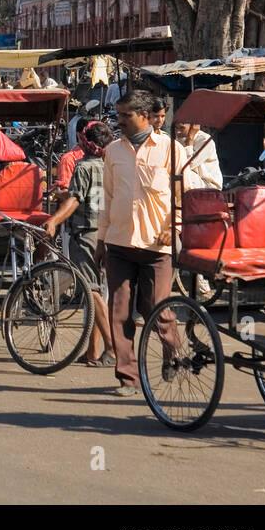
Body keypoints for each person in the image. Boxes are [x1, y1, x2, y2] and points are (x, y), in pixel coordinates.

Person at [98, 89, 185, 396]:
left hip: (158, 246)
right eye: (118, 115)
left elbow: (183, 199)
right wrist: (100, 239)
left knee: (157, 309)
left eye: (126, 116)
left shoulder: (171, 150)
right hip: (119, 243)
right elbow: (106, 199)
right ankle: (128, 377)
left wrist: (173, 231)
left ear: (145, 117)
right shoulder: (113, 151)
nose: (119, 121)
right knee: (119, 311)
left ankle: (173, 352)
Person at [43, 121, 117, 367]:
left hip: (86, 233)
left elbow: (75, 200)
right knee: (97, 291)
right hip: (108, 232)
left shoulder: (83, 167)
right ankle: (92, 353)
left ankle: (112, 346)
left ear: (85, 143)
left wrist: (54, 220)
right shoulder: (111, 166)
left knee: (92, 291)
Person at [175, 121, 222, 190]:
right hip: (193, 180)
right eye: (176, 128)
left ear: (193, 126)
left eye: (182, 128)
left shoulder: (205, 140)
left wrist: (190, 141)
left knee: (184, 175)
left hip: (208, 185)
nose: (178, 132)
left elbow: (188, 165)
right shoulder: (179, 139)